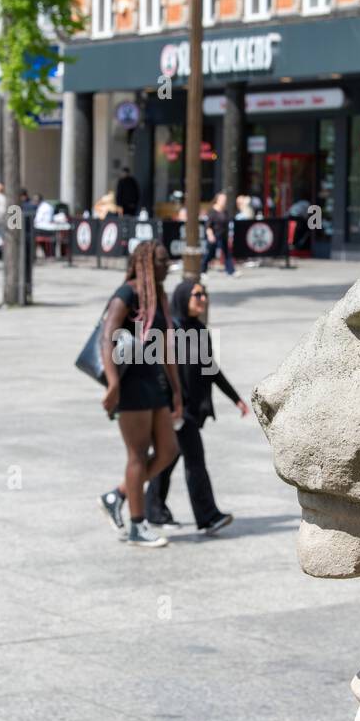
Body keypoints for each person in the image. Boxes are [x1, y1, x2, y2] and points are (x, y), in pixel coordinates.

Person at [145, 278, 249, 534]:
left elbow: (210, 368)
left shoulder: (200, 331)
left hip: (191, 407)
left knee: (166, 459)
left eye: (204, 294)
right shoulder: (170, 331)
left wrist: (235, 398)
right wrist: (167, 405)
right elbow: (158, 370)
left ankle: (152, 510)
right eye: (197, 295)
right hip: (177, 409)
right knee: (195, 461)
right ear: (182, 298)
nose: (203, 299)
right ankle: (207, 516)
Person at [98, 241, 182, 548]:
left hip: (154, 382)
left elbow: (167, 348)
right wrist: (112, 383)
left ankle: (118, 495)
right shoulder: (128, 294)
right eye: (161, 260)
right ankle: (136, 526)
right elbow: (106, 339)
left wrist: (176, 391)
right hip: (130, 384)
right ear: (145, 262)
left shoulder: (159, 295)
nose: (166, 265)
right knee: (137, 454)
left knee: (169, 450)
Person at [203, 192, 236, 277]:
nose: (224, 201)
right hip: (214, 235)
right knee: (209, 254)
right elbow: (208, 225)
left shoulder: (225, 211)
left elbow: (227, 225)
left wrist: (229, 236)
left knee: (227, 253)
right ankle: (202, 270)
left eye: (225, 200)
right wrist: (210, 235)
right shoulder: (212, 211)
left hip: (223, 235)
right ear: (217, 200)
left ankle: (230, 271)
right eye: (222, 200)